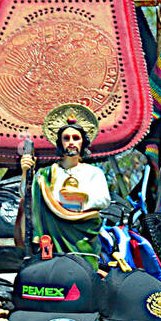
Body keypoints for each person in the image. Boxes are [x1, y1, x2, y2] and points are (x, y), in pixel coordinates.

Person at [18, 103, 110, 261]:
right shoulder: (45, 174)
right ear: (60, 143)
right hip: (53, 238)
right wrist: (26, 172)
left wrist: (82, 198)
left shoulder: (94, 172)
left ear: (83, 142)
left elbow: (104, 200)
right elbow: (27, 195)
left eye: (76, 138)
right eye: (66, 138)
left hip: (82, 234)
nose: (71, 142)